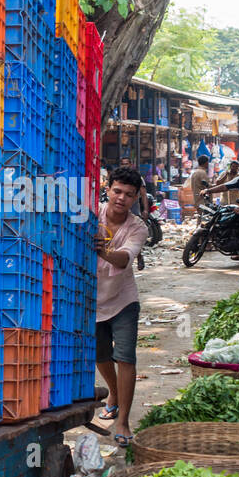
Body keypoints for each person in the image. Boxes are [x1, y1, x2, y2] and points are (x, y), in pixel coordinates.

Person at [95, 166, 148, 447]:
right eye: (117, 191)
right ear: (108, 189)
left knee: (125, 358)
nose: (121, 198)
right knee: (100, 354)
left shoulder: (138, 227)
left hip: (124, 300)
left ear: (136, 197)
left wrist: (103, 251)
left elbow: (125, 258)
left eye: (128, 194)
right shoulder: (91, 213)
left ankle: (123, 420)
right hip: (92, 300)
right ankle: (113, 394)